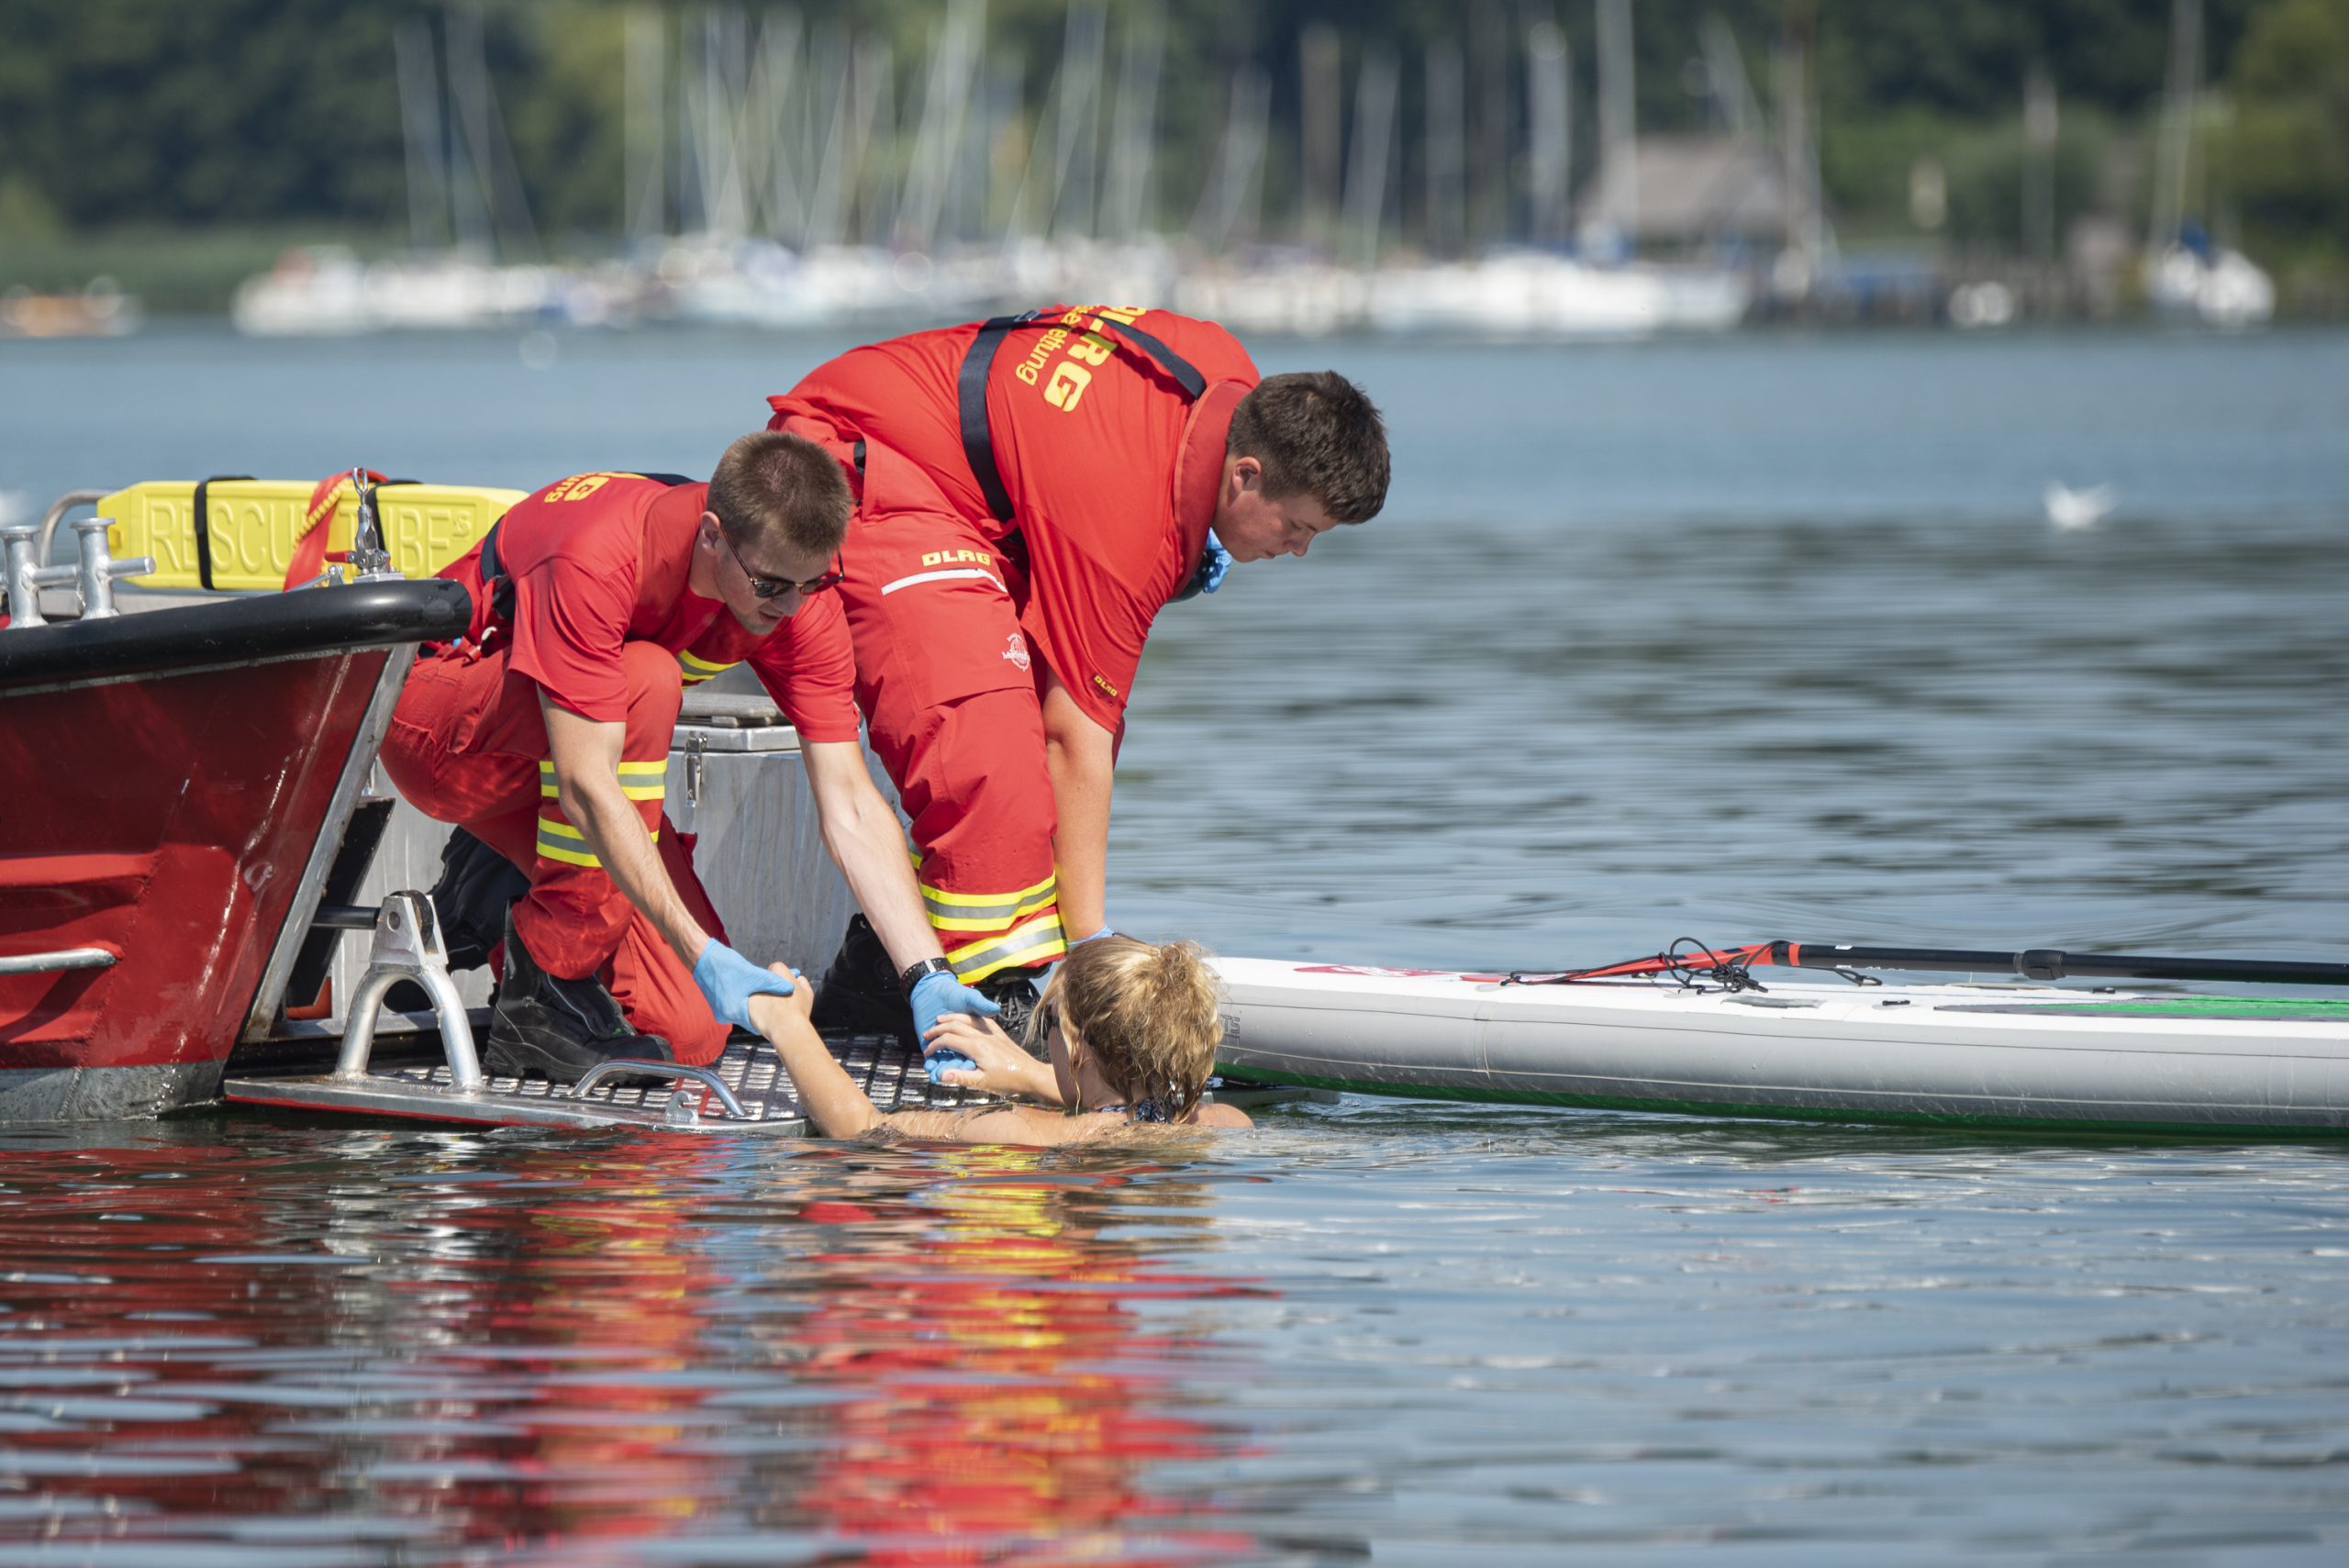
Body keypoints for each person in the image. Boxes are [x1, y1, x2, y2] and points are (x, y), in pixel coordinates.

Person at [763, 306, 1390, 1036]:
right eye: (1297, 528)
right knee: (993, 758)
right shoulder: (1127, 515)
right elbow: (1077, 738)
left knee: (1028, 745)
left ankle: (884, 972)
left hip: (968, 490)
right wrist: (1088, 949)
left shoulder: (1227, 381)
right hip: (853, 471)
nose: (1298, 551)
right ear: (1244, 475)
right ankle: (999, 988)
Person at [380, 432, 998, 1084]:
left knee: (694, 1029)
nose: (791, 606)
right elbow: (590, 785)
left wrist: (926, 974)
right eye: (771, 584)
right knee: (646, 678)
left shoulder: (797, 602)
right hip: (437, 731)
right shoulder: (598, 552)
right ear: (712, 535)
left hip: (565, 761)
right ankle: (547, 992)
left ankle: (495, 888)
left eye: (814, 580)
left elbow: (849, 801)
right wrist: (700, 949)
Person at [751, 935, 1252, 1144]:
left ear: (1075, 1048)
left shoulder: (1020, 1131)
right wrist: (1031, 1076)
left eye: (1048, 1021)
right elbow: (1128, 1114)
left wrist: (788, 1023)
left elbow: (862, 1127)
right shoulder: (1226, 1121)